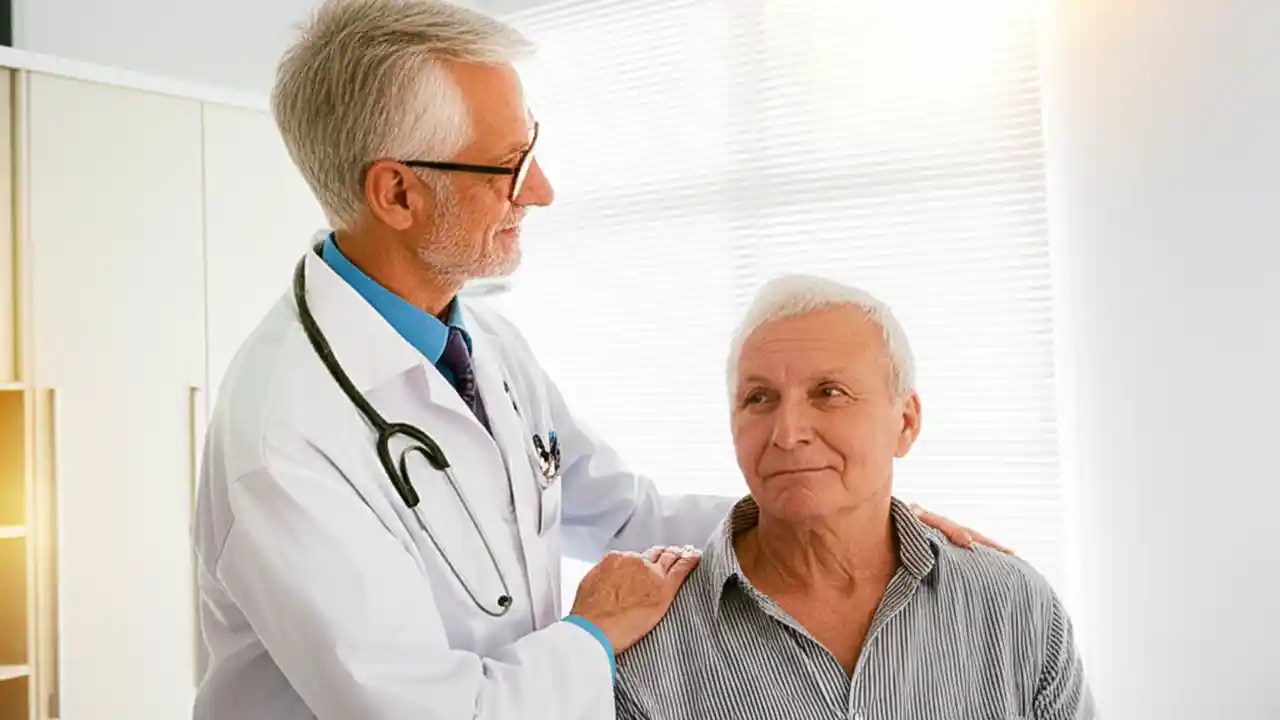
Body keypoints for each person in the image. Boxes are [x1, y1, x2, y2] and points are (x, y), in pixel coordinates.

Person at [191, 1, 999, 718]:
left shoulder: (484, 344)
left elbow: (620, 513)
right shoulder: (282, 441)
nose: (540, 189)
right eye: (508, 166)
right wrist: (592, 631)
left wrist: (837, 521)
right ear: (397, 194)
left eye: (530, 147)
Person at [614, 274, 1095, 720]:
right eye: (759, 398)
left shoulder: (1012, 605)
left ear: (905, 422)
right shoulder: (645, 644)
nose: (788, 433)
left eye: (829, 392)